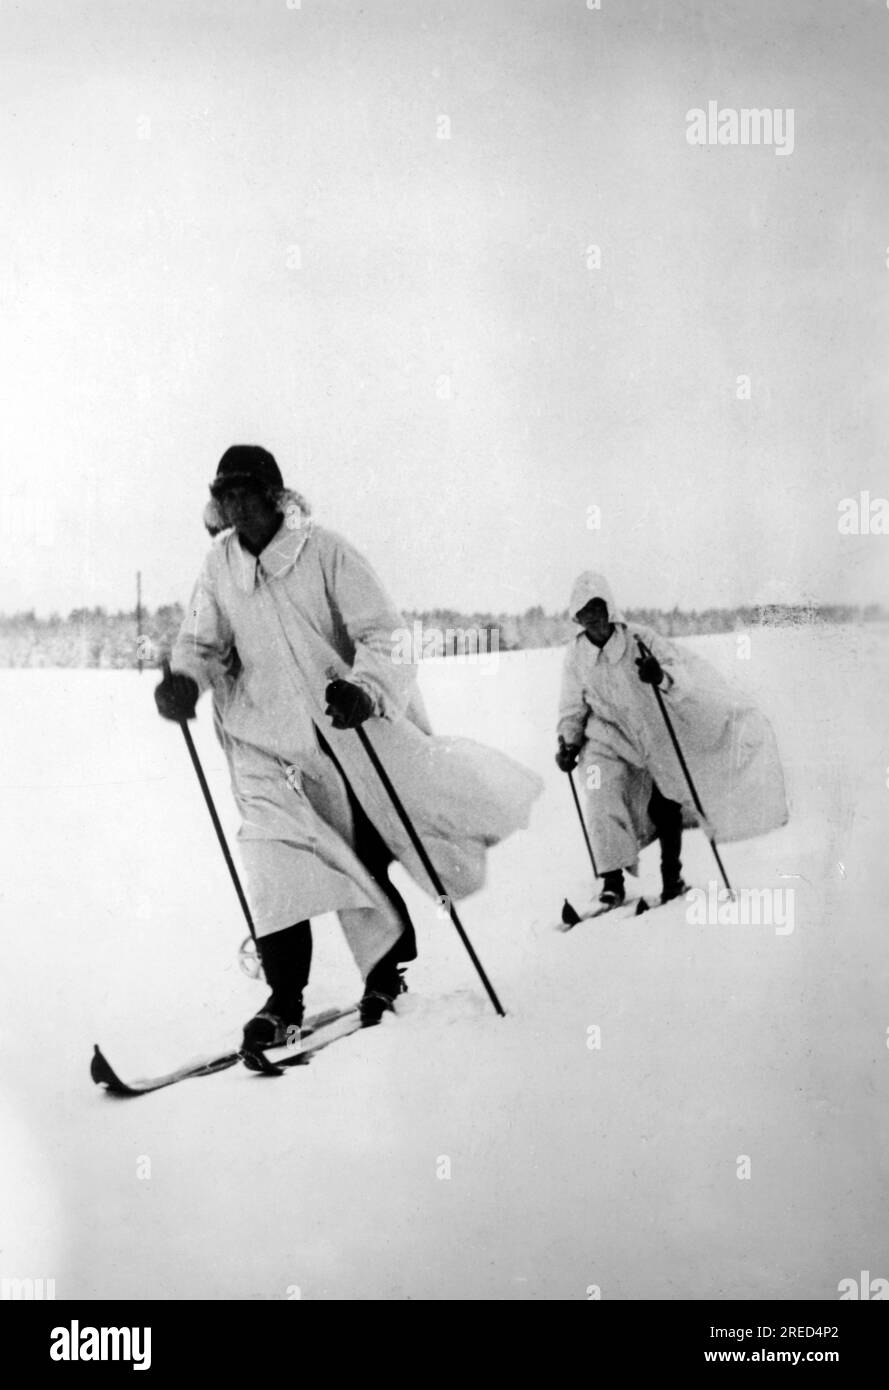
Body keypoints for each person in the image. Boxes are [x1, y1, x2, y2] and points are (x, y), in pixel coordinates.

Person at [156, 445, 542, 1048]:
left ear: (273, 495)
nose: (233, 504)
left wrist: (364, 688)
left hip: (348, 733)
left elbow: (385, 634)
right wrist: (184, 682)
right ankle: (284, 1001)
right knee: (274, 861)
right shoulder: (218, 569)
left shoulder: (325, 552)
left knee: (362, 851)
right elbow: (201, 645)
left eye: (243, 491)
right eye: (223, 493)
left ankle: (384, 977)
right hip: (268, 746)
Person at [555, 572, 788, 908]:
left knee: (667, 801)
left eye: (596, 608)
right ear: (577, 618)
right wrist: (569, 743)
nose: (592, 618)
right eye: (584, 612)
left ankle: (672, 879)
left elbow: (681, 673)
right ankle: (612, 883)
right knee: (600, 792)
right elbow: (571, 706)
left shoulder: (639, 639)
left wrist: (660, 675)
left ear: (609, 608)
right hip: (607, 737)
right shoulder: (575, 656)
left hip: (654, 730)